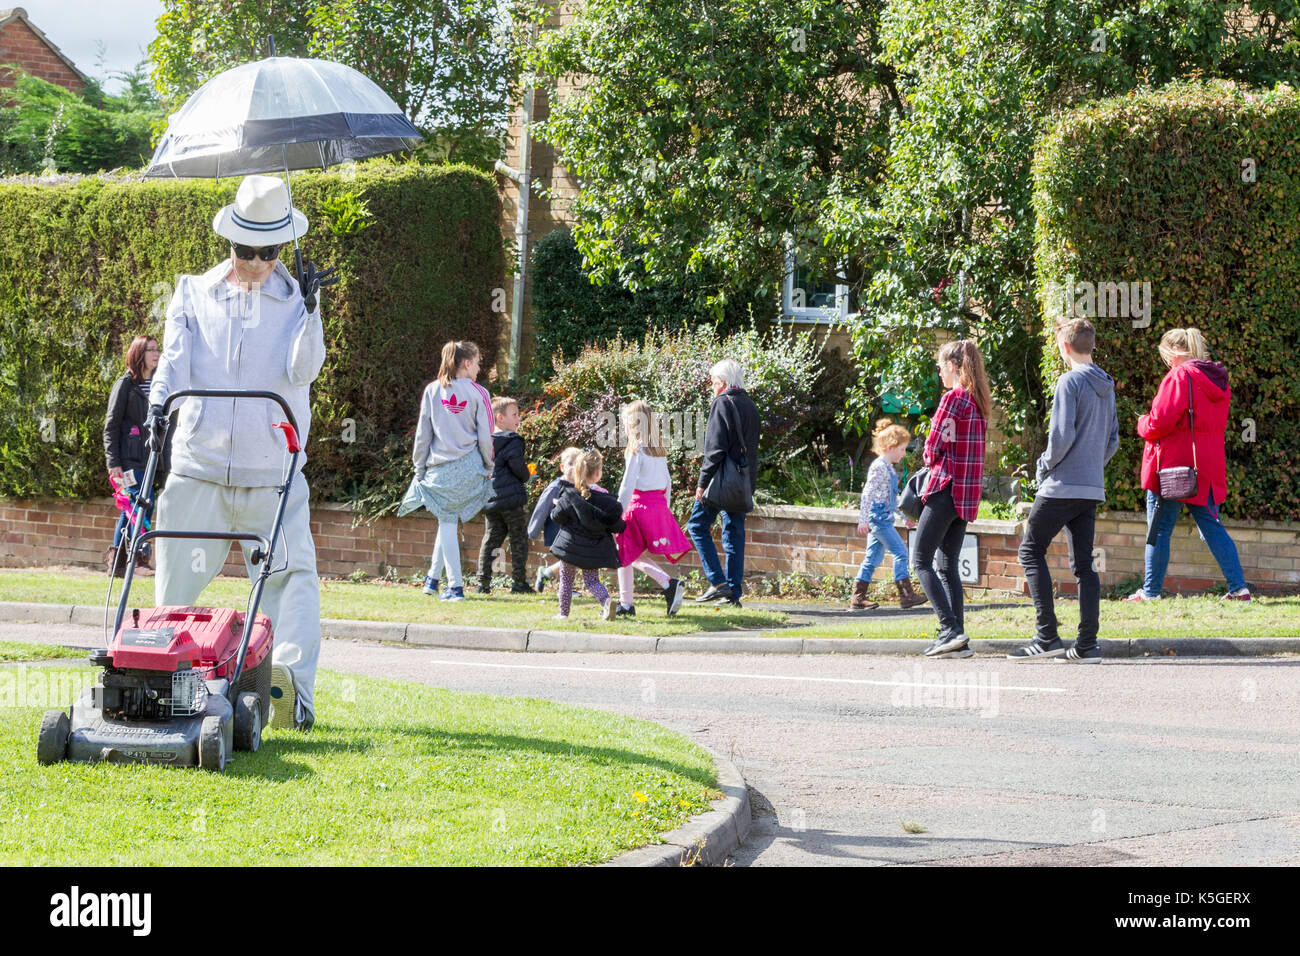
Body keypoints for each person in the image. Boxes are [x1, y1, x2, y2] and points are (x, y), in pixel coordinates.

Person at [148, 173, 335, 731]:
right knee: (173, 580)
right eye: (245, 250)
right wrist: (160, 407)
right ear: (229, 242)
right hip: (198, 467)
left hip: (272, 473)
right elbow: (175, 363)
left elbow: (304, 369)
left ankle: (288, 694)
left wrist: (310, 308)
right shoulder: (192, 292)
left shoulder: (296, 298)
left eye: (268, 252)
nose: (256, 263)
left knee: (290, 577)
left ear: (282, 248)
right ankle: (159, 679)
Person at [1008, 319, 1118, 663]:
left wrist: (1044, 465)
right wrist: (1091, 465)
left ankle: (1046, 637)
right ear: (1092, 346)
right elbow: (1113, 439)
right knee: (1085, 565)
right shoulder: (1107, 384)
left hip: (1061, 484)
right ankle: (1087, 645)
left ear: (1064, 347)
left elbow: (1061, 438)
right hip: (1090, 486)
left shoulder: (1068, 382)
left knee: (1029, 551)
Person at [1129, 328, 1250, 601]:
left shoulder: (1180, 376)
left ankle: (1151, 593)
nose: (1167, 364)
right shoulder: (1218, 380)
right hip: (1205, 466)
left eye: (1167, 357)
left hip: (1172, 467)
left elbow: (1160, 421)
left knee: (1159, 529)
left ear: (1176, 353)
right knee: (1212, 526)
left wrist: (1142, 423)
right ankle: (1239, 588)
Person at [400, 340, 495, 603]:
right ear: (466, 363)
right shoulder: (480, 393)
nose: (478, 368)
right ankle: (450, 585)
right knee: (448, 521)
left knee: (447, 520)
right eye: (477, 363)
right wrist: (489, 465)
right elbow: (486, 437)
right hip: (469, 466)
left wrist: (419, 467)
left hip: (439, 469)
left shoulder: (432, 390)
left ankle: (438, 582)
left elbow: (423, 435)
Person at [916, 339, 990, 659]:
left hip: (945, 489)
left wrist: (928, 455)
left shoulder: (953, 400)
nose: (939, 372)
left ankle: (949, 628)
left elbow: (933, 448)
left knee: (920, 561)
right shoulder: (977, 402)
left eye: (940, 366)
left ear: (953, 367)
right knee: (947, 566)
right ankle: (958, 640)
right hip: (965, 497)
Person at [689, 359, 760, 607]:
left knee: (696, 526)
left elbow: (715, 450)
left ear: (723, 383)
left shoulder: (722, 402)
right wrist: (749, 485)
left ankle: (718, 583)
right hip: (743, 481)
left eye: (713, 382)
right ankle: (733, 596)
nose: (711, 386)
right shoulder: (750, 405)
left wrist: (702, 482)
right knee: (734, 535)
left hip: (720, 482)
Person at [611, 401, 691, 617]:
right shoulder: (658, 449)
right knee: (630, 553)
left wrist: (617, 510)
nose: (624, 428)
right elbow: (668, 482)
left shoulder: (635, 449)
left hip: (637, 506)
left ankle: (633, 600)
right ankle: (633, 600)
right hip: (657, 506)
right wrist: (665, 507)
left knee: (624, 552)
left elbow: (627, 485)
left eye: (626, 423)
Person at [103, 334, 167, 577]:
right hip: (130, 461)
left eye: (157, 349)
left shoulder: (159, 384)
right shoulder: (125, 385)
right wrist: (114, 463)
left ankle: (117, 562)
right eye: (150, 350)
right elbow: (111, 425)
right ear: (139, 354)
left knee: (132, 508)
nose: (156, 354)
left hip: (151, 458)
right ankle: (138, 560)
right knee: (141, 504)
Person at [851, 418, 926, 611]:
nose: (903, 454)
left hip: (882, 518)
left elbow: (890, 499)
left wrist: (904, 518)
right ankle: (906, 595)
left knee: (871, 558)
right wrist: (863, 520)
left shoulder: (888, 468)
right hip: (879, 520)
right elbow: (867, 493)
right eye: (901, 449)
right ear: (890, 447)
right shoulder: (879, 467)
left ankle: (858, 598)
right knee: (901, 552)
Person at [549, 448, 624, 620]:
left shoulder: (569, 494)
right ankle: (607, 603)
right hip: (593, 549)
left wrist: (558, 504)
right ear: (597, 474)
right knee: (592, 581)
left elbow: (556, 517)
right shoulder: (605, 498)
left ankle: (563, 614)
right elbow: (616, 524)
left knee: (566, 581)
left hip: (570, 547)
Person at [476, 395, 533, 594]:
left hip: (490, 497)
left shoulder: (485, 441)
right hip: (510, 500)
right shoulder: (513, 440)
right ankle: (519, 582)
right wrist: (527, 475)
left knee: (491, 539)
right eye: (515, 414)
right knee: (518, 539)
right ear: (500, 418)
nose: (519, 418)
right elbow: (517, 466)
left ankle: (482, 583)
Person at [530, 447, 582, 592]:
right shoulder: (555, 487)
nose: (573, 467)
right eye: (570, 463)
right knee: (570, 558)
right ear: (562, 467)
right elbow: (542, 508)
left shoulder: (581, 487)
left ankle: (546, 573)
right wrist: (533, 531)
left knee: (571, 559)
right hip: (558, 529)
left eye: (577, 464)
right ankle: (566, 589)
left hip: (575, 530)